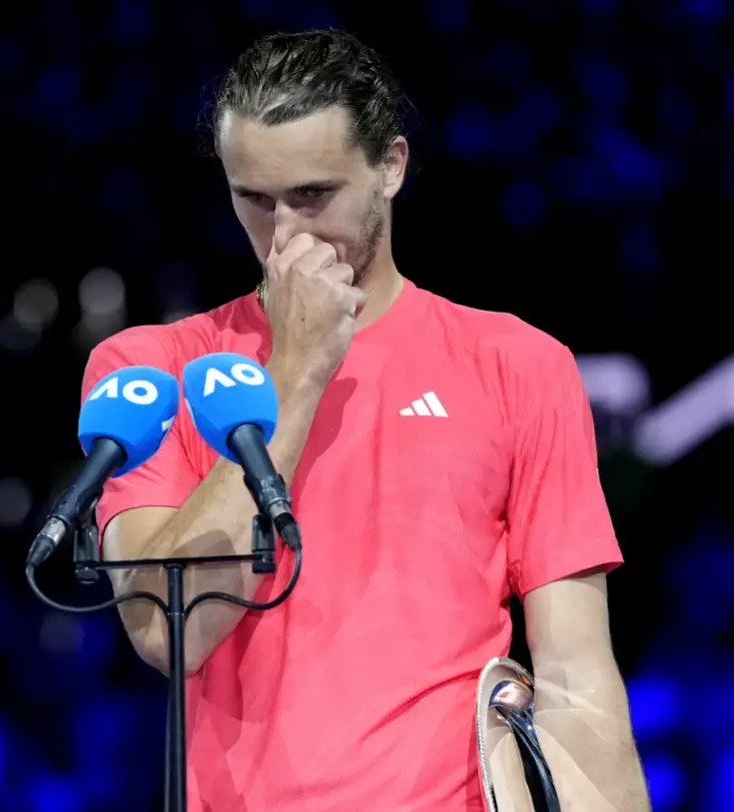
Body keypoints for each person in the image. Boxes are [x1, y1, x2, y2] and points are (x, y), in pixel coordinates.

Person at [84, 29, 650, 811]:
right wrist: (294, 368)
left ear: (390, 166)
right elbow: (166, 634)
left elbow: (575, 668)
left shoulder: (517, 362)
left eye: (313, 196)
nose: (284, 235)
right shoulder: (150, 371)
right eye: (253, 199)